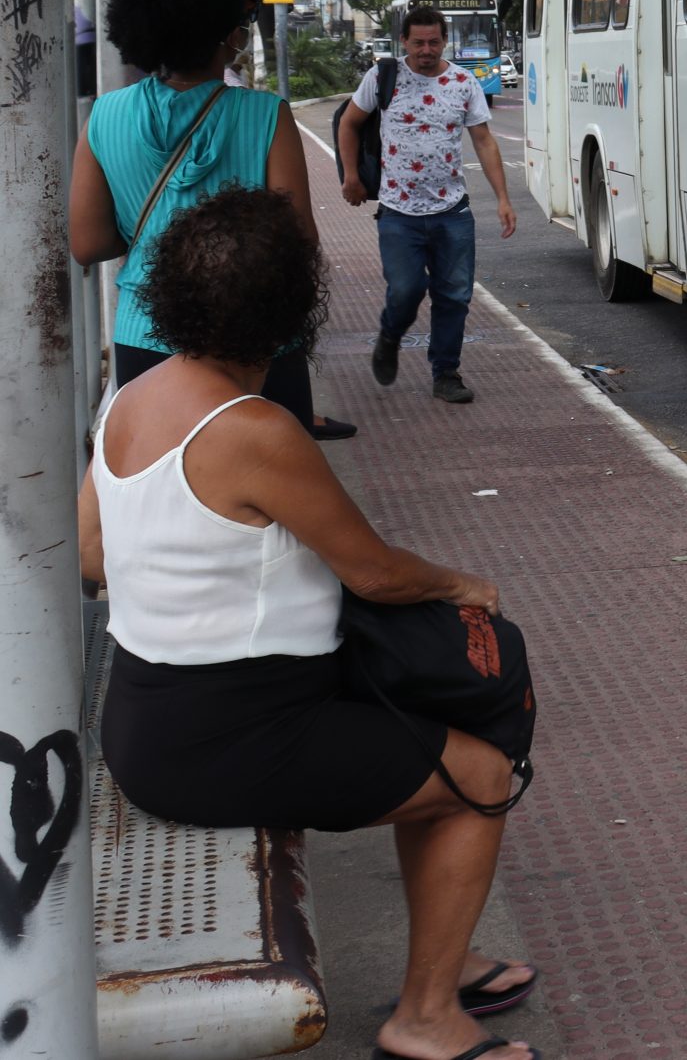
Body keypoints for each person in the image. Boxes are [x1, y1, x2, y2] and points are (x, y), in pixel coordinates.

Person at [77, 188, 539, 1060]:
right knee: (481, 774)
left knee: (418, 737)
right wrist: (465, 584)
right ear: (289, 310)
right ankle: (425, 1017)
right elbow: (370, 568)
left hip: (143, 725)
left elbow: (94, 554)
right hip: (235, 737)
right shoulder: (253, 428)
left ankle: (446, 953)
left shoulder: (129, 398)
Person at [70, 0, 356, 441]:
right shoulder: (266, 115)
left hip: (145, 334)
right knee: (267, 491)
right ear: (230, 34)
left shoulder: (104, 116)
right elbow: (298, 239)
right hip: (258, 339)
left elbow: (88, 244)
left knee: (164, 485)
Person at [337, 4, 516, 405]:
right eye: (418, 42)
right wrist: (351, 175)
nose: (426, 50)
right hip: (398, 213)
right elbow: (349, 123)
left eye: (434, 42)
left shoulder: (462, 82)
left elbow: (484, 140)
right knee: (406, 289)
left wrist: (503, 198)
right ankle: (390, 334)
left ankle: (446, 373)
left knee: (454, 296)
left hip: (452, 213)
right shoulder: (383, 77)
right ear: (404, 41)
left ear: (444, 41)